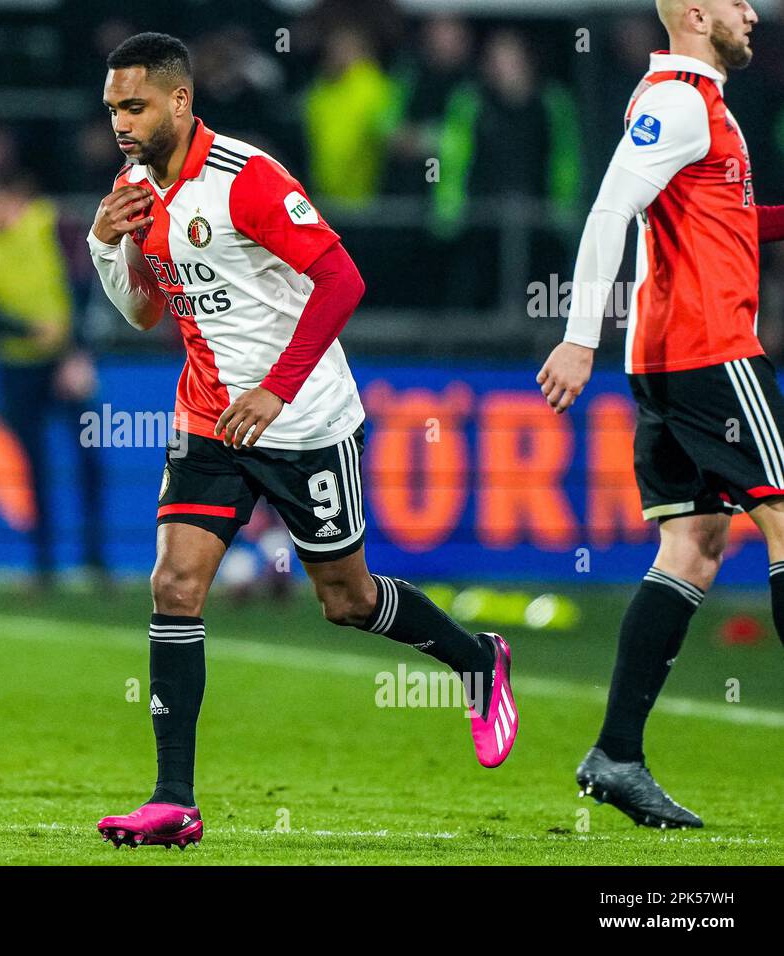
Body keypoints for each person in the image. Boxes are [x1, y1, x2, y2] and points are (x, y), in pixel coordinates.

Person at [87, 32, 518, 849]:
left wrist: (277, 387)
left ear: (180, 100)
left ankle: (476, 661)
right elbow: (144, 311)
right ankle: (173, 799)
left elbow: (343, 279)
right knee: (175, 586)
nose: (120, 122)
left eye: (134, 105)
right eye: (113, 108)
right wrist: (104, 244)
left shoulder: (244, 179)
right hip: (209, 417)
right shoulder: (132, 189)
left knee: (346, 601)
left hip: (305, 418)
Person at [537, 0, 784, 829]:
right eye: (738, 2)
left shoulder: (697, 102)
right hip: (709, 351)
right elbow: (611, 210)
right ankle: (616, 752)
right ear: (694, 12)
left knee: (693, 546)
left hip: (669, 362)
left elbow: (726, 223)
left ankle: (616, 754)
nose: (753, 13)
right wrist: (578, 339)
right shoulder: (679, 99)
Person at [0, 174, 107, 590]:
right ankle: (44, 564)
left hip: (64, 362)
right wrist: (26, 331)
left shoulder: (52, 225)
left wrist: (77, 351)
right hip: (18, 367)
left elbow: (85, 283)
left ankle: (94, 560)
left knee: (88, 459)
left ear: (10, 196)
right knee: (35, 466)